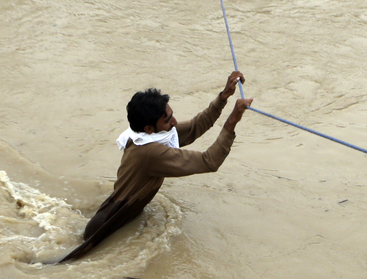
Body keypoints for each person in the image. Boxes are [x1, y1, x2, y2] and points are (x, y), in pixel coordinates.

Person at [58, 73, 252, 263]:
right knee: (69, 263)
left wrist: (223, 96)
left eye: (172, 116)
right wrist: (233, 119)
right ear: (149, 128)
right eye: (168, 120)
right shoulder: (150, 152)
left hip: (124, 212)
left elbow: (195, 127)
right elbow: (209, 161)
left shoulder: (149, 134)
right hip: (109, 221)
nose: (174, 122)